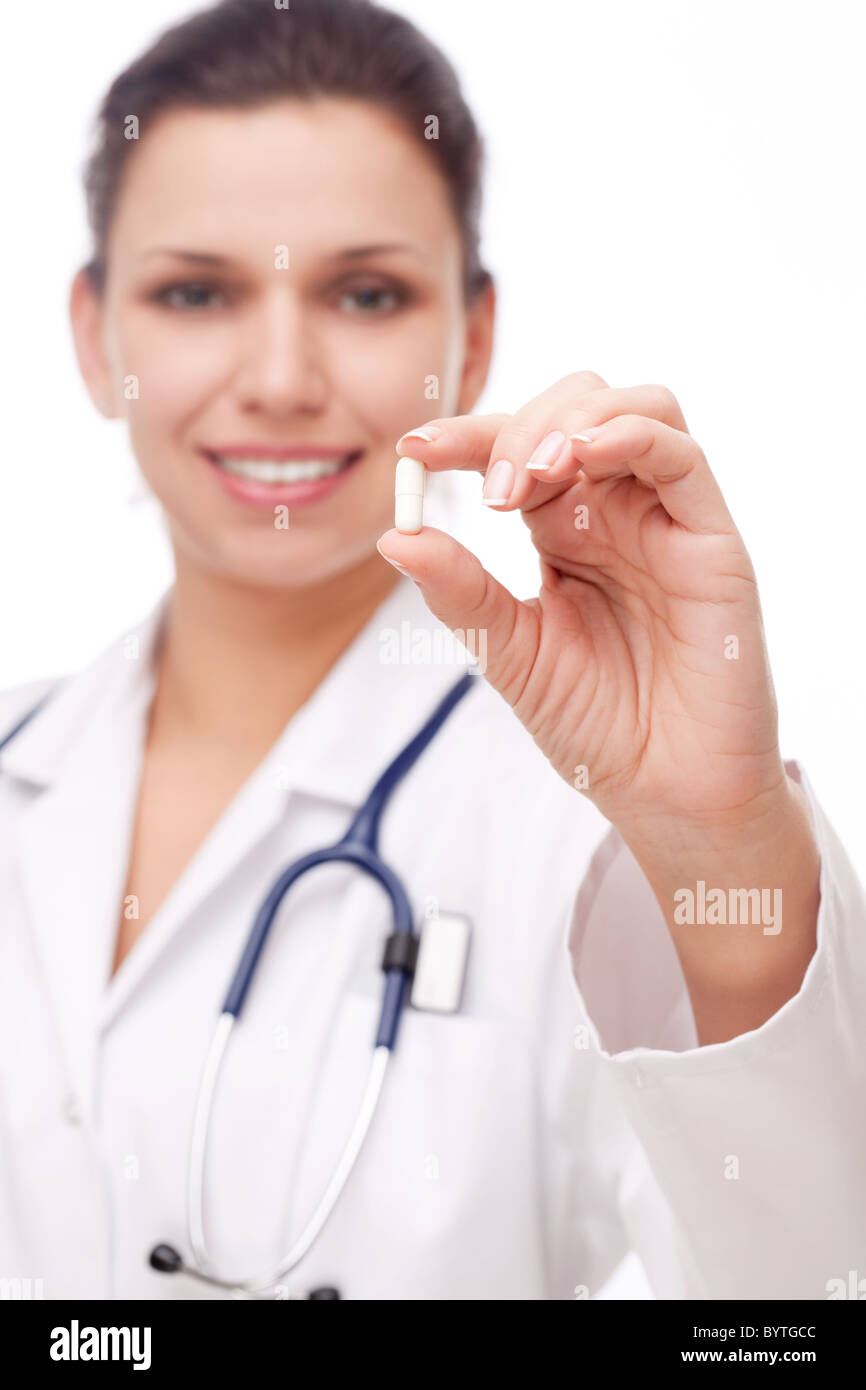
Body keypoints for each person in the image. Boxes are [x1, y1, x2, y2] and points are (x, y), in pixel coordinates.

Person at [0, 0, 863, 1302]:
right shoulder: (21, 763)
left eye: (363, 291)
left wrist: (720, 848)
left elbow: (798, 1286)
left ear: (467, 337)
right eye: (195, 290)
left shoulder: (579, 822)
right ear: (93, 333)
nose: (280, 375)